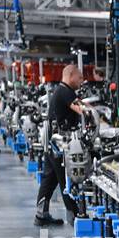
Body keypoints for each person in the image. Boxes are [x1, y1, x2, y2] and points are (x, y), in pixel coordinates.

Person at [35, 65, 86, 226]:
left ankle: (40, 215)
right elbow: (81, 110)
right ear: (71, 75)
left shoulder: (61, 90)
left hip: (52, 143)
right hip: (59, 144)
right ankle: (75, 216)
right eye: (79, 78)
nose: (81, 81)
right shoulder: (65, 91)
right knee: (67, 177)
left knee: (49, 180)